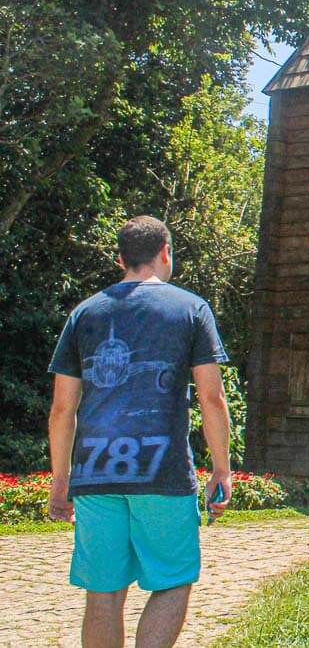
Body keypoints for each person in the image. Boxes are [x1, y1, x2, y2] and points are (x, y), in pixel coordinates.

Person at [47, 215, 232, 648]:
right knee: (171, 580)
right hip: (162, 472)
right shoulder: (190, 309)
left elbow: (62, 408)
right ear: (165, 252)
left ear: (120, 259)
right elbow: (211, 398)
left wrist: (61, 482)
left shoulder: (84, 313)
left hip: (95, 473)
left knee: (104, 592)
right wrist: (221, 468)